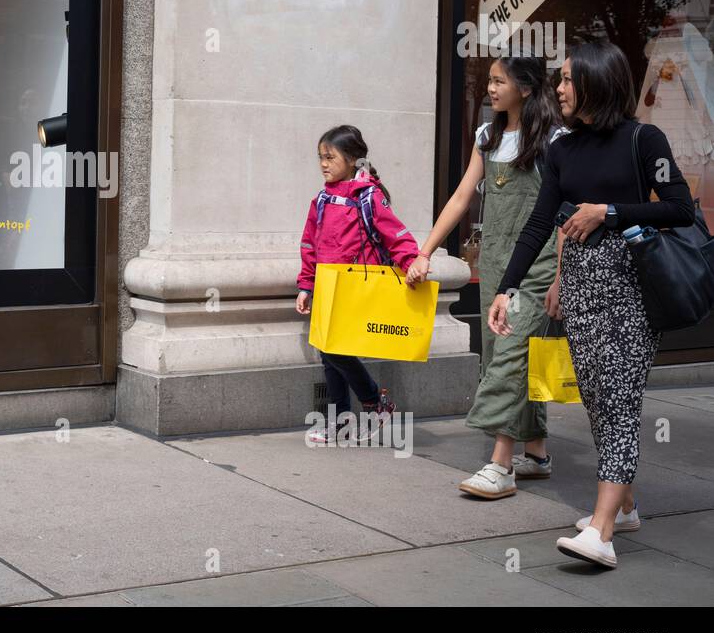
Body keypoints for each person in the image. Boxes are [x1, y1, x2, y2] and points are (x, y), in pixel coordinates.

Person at [489, 40, 695, 569]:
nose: (558, 88)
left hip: (631, 289)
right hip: (580, 290)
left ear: (596, 82)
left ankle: (601, 532)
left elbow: (679, 209)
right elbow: (541, 223)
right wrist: (507, 288)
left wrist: (608, 211)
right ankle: (623, 506)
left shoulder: (644, 139)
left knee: (621, 402)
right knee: (599, 400)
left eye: (566, 79)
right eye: (558, 79)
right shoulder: (562, 148)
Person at [407, 54, 568, 498]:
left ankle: (500, 464)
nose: (491, 89)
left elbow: (564, 211)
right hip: (497, 259)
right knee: (507, 348)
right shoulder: (488, 136)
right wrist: (425, 253)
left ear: (528, 88)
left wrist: (560, 276)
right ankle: (535, 453)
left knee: (510, 352)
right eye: (490, 81)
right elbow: (461, 199)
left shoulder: (556, 140)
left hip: (539, 262)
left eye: (500, 81)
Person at [296, 125, 420, 444]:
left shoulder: (368, 196)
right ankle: (340, 421)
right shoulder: (322, 199)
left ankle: (374, 401)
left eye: (330, 157)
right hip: (326, 286)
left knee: (333, 350)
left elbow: (395, 234)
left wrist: (413, 262)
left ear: (352, 159)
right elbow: (309, 244)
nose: (323, 163)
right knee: (327, 354)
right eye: (320, 157)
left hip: (354, 289)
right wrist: (306, 286)